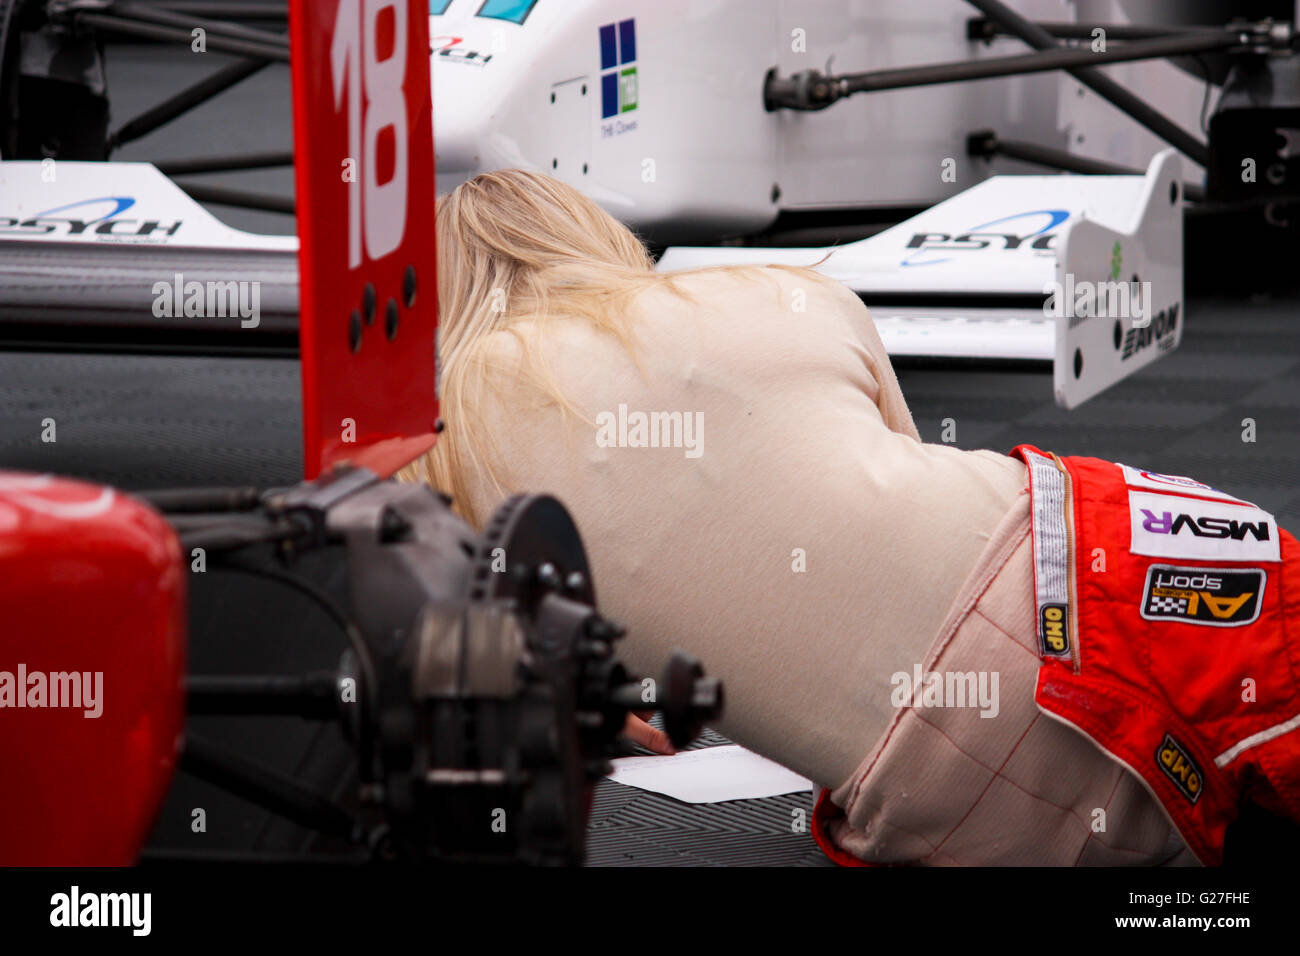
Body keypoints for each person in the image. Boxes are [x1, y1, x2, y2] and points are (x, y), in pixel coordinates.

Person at [398, 168, 1300, 866]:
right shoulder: (771, 291)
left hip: (933, 807)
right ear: (594, 233)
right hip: (1082, 593)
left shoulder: (445, 451)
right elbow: (902, 510)